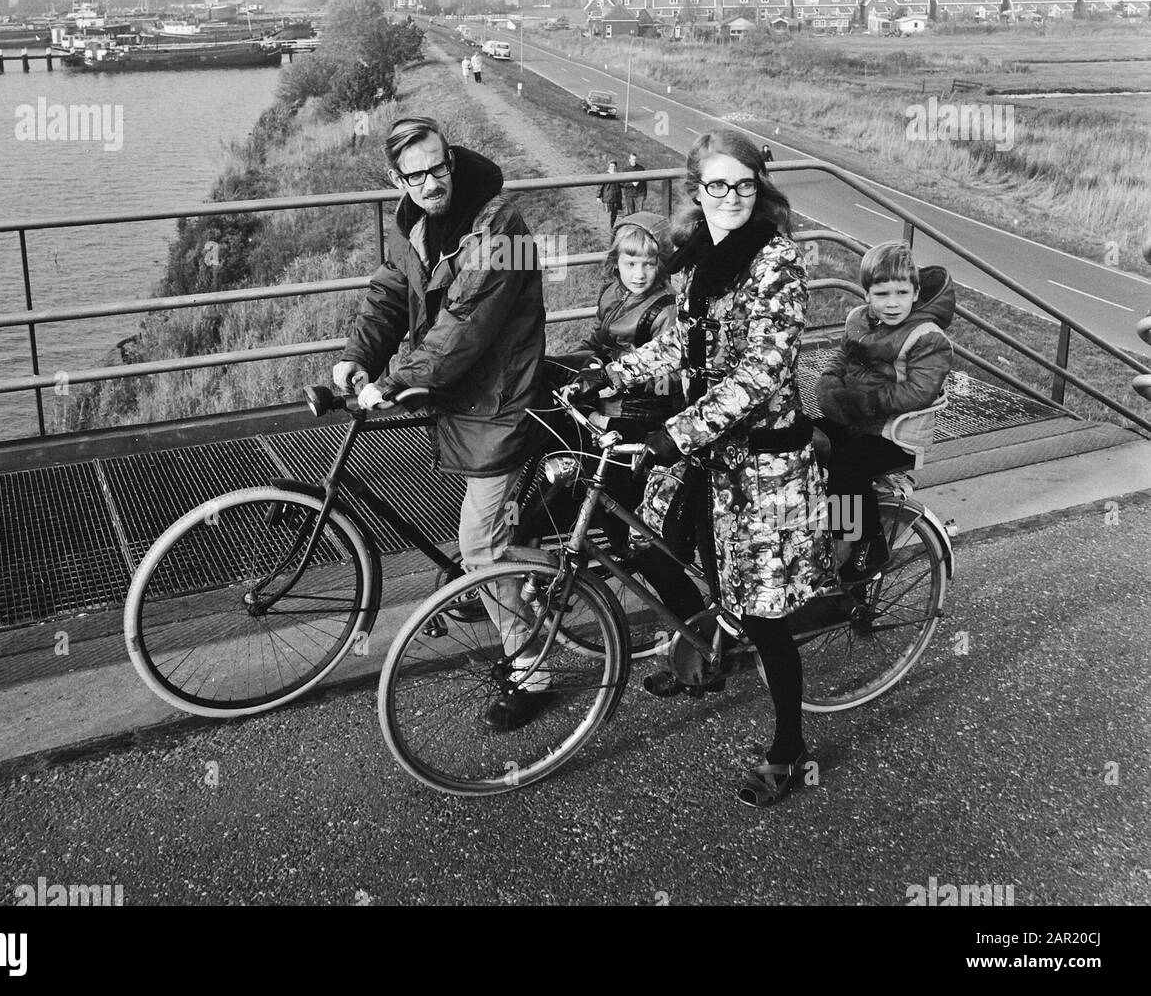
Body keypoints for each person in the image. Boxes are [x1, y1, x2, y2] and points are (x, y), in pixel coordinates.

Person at [573, 128, 830, 807]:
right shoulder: (695, 260)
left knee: (759, 608)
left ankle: (788, 747)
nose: (732, 197)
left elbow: (761, 370)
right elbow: (677, 351)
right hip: (704, 453)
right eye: (718, 185)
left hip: (759, 463)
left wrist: (674, 435)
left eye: (744, 184)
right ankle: (703, 660)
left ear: (757, 187)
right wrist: (606, 374)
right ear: (696, 190)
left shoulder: (777, 261)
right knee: (655, 550)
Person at [333, 116, 547, 730]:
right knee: (481, 541)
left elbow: (463, 323)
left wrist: (394, 379)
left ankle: (533, 670)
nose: (430, 183)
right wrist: (358, 358)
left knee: (480, 544)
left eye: (438, 167)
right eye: (415, 174)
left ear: (451, 158)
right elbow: (390, 295)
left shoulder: (499, 224)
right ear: (395, 178)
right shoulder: (413, 221)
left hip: (501, 399)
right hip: (463, 400)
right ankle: (494, 589)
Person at [555, 213, 703, 622]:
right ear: (615, 262)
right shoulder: (612, 295)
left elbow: (667, 379)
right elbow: (598, 342)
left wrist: (607, 383)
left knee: (630, 515)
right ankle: (616, 547)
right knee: (593, 489)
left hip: (645, 415)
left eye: (649, 263)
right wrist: (580, 367)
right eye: (629, 262)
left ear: (663, 265)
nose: (638, 273)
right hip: (610, 402)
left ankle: (682, 604)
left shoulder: (666, 310)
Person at [815, 242, 954, 582]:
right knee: (804, 438)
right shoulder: (861, 322)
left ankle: (859, 540)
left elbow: (919, 391)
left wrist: (864, 402)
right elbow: (843, 356)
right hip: (858, 421)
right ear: (867, 294)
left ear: (916, 292)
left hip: (896, 433)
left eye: (901, 293)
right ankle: (816, 522)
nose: (892, 303)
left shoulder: (927, 337)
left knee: (847, 463)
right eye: (881, 293)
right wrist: (830, 381)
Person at [597, 160, 623, 229]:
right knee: (608, 212)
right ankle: (605, 226)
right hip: (608, 197)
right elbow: (600, 185)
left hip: (616, 197)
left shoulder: (618, 175)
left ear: (616, 167)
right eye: (611, 166)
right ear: (609, 166)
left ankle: (611, 226)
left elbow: (622, 185)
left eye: (614, 166)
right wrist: (598, 196)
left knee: (615, 212)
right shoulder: (605, 175)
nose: (613, 168)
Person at [622, 151, 647, 216]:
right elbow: (622, 184)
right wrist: (632, 184)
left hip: (640, 194)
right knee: (630, 214)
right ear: (629, 160)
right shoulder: (625, 170)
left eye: (635, 159)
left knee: (640, 214)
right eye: (632, 159)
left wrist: (645, 194)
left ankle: (639, 226)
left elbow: (644, 183)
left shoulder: (641, 169)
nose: (634, 161)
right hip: (629, 194)